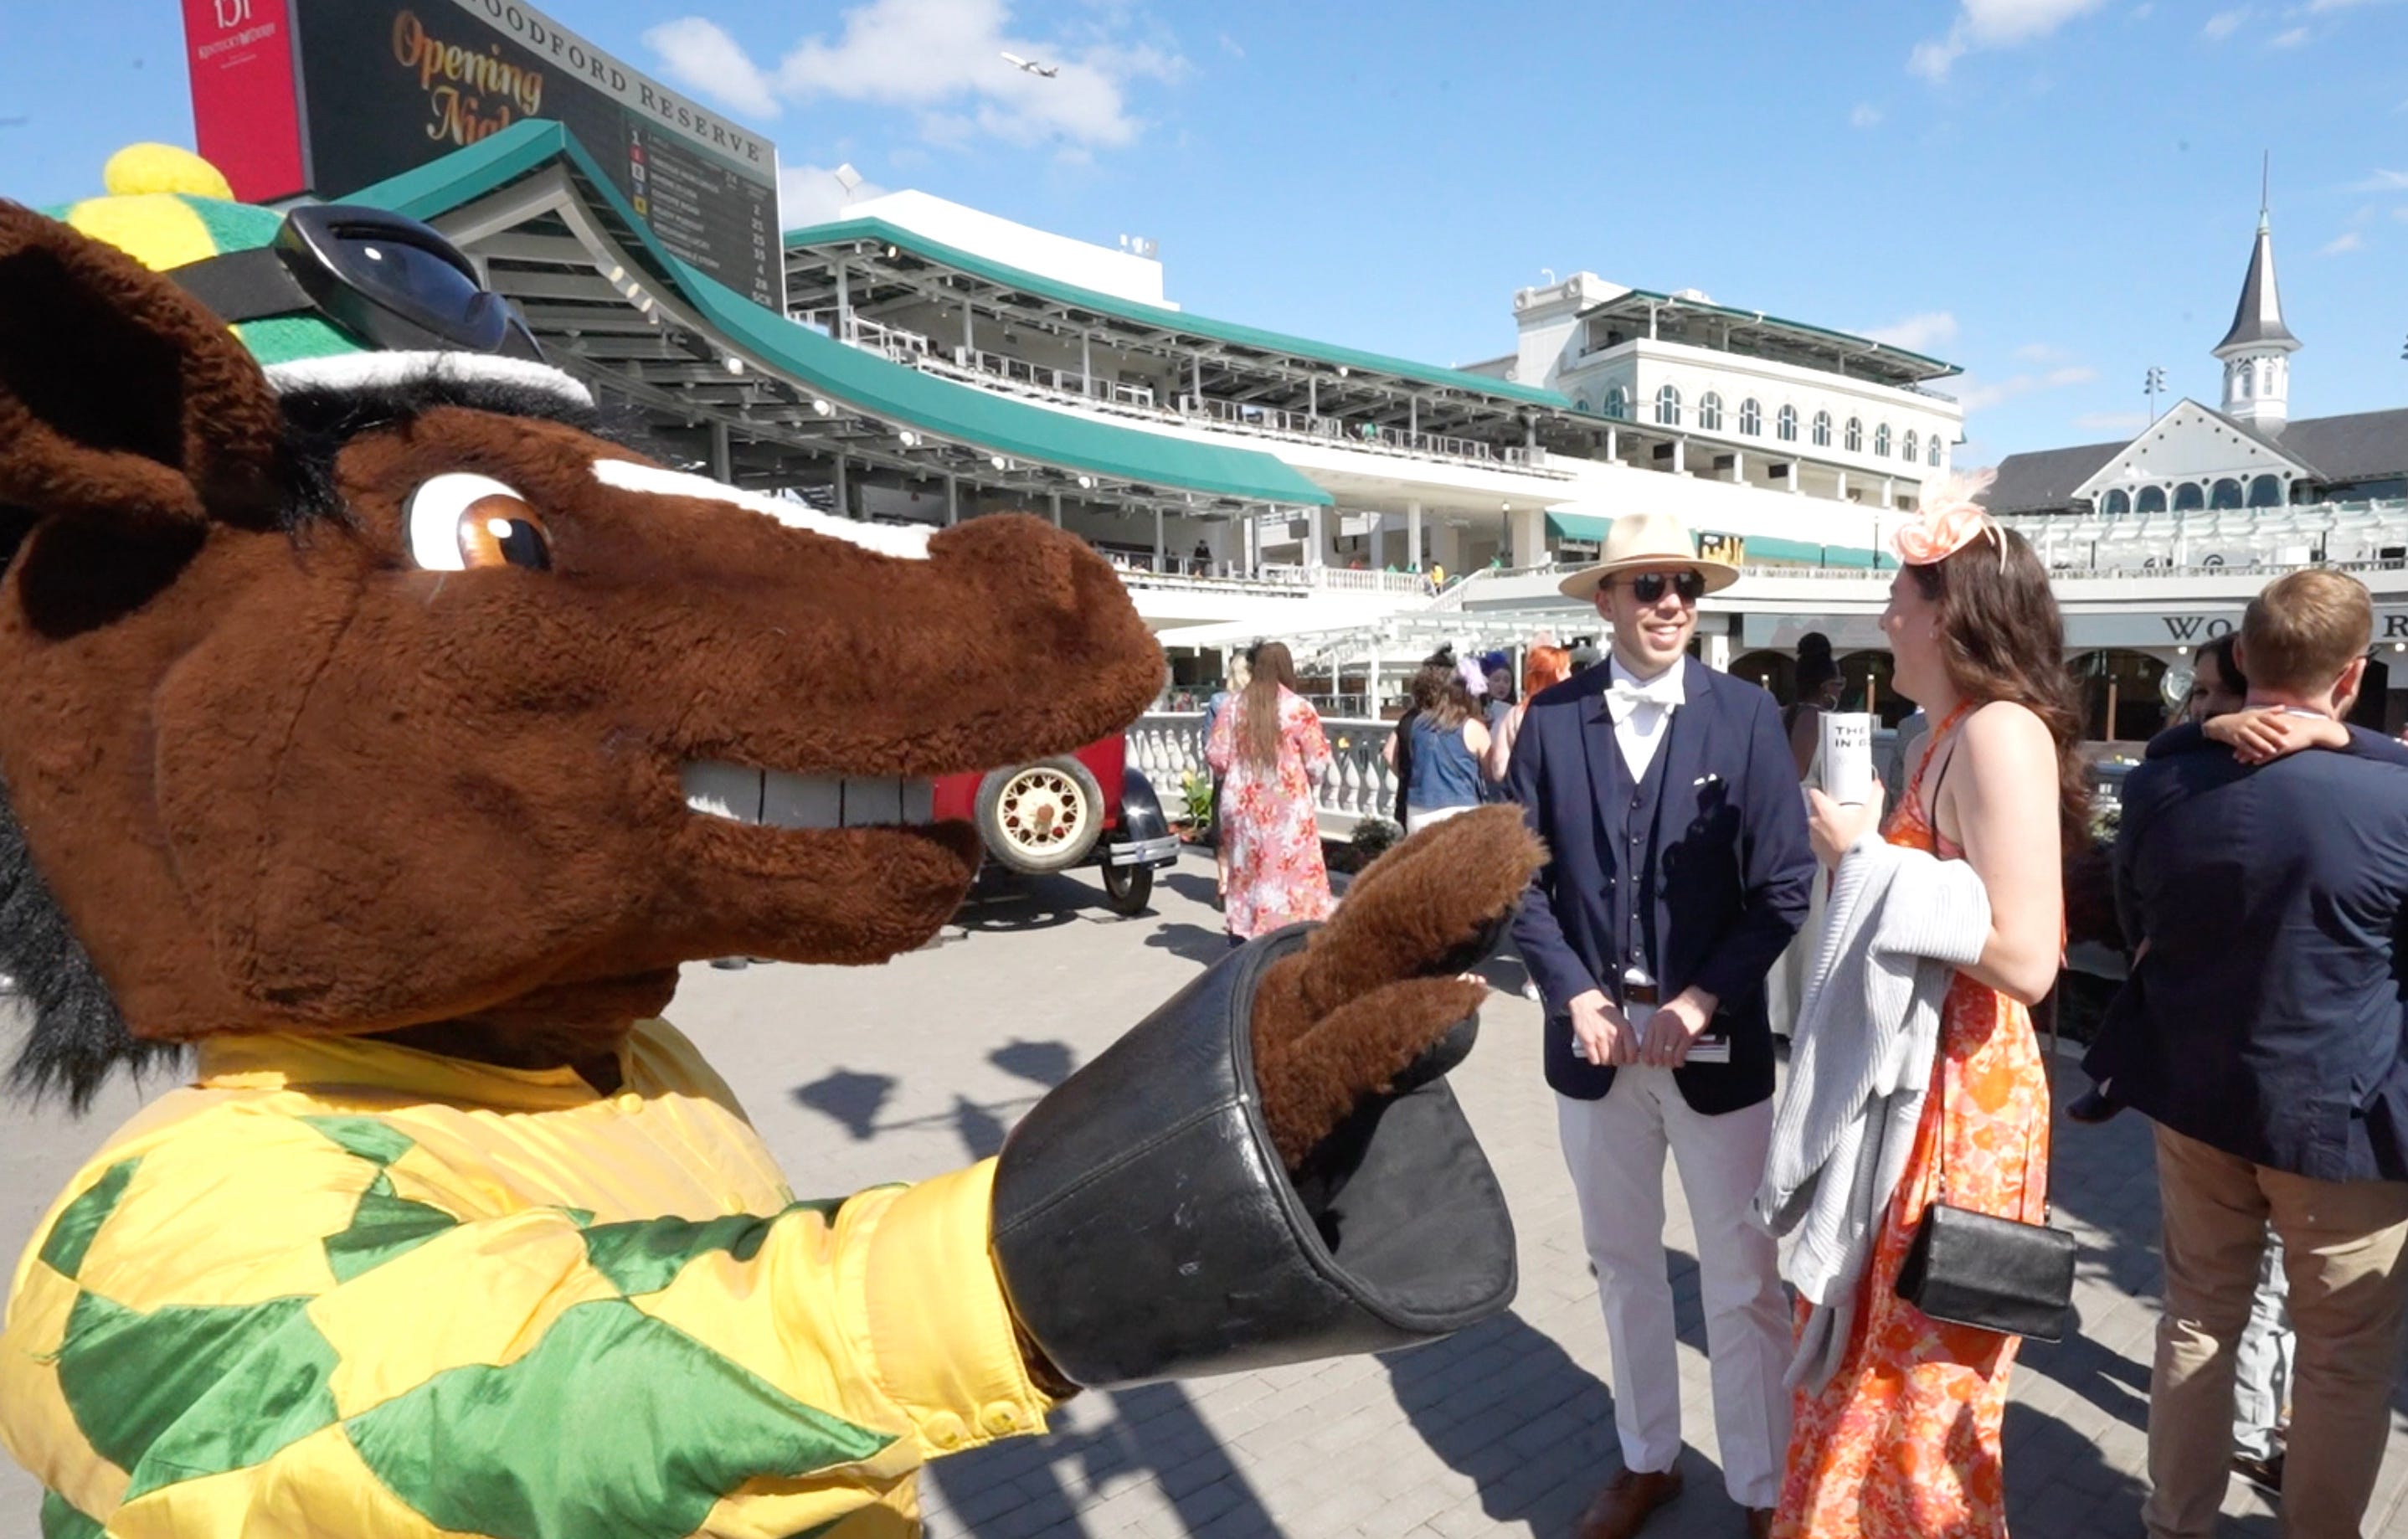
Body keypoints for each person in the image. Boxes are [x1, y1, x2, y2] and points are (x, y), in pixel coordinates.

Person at [1778, 479, 2082, 1537]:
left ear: (1946, 612)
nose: (1882, 616)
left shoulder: (1996, 731)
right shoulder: (1944, 732)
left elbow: (2028, 956)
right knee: (1883, 1367)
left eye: (1896, 596)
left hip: (1956, 1101)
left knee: (1917, 1387)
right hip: (1922, 1085)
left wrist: (1862, 857)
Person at [2083, 569, 2408, 1539]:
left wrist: (2198, 735)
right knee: (2341, 1357)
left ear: (2238, 657)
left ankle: (2175, 1521)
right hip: (2342, 1115)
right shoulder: (2390, 798)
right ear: (2351, 676)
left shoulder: (2163, 781)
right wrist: (2361, 745)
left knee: (2196, 1317)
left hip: (2195, 1094)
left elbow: (2132, 916)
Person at [1508, 511, 1814, 1539]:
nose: (1670, 600)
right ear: (1605, 600)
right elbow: (1515, 877)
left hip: (1712, 1045)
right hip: (1593, 1047)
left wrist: (1698, 999)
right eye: (1645, 584)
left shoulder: (1746, 715)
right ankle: (1647, 1458)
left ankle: (1761, 1484)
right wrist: (1573, 993)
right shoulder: (1552, 719)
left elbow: (1783, 884)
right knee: (1621, 1263)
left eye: (1681, 581)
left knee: (1742, 1275)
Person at [1206, 641, 1336, 945]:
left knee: (1245, 873)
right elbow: (1318, 763)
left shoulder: (1232, 706)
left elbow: (1217, 757)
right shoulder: (1299, 708)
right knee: (1293, 874)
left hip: (1241, 805)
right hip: (1287, 807)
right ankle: (1292, 939)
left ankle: (1244, 938)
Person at [1766, 635, 1845, 1037]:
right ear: (1825, 686)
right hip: (1809, 818)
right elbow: (1798, 771)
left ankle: (1778, 1011)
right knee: (1810, 922)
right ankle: (1798, 1015)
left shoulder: (1782, 713)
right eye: (1838, 684)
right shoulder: (1817, 718)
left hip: (1779, 819)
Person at [1383, 656, 1490, 832]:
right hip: (1460, 807)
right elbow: (1492, 772)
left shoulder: (1417, 723)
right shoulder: (1474, 728)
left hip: (1418, 809)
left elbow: (1390, 753)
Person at [1485, 644, 1572, 781]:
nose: (1570, 675)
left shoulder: (1514, 714)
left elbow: (1499, 768)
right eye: (1566, 670)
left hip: (1525, 788)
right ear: (1557, 673)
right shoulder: (1568, 714)